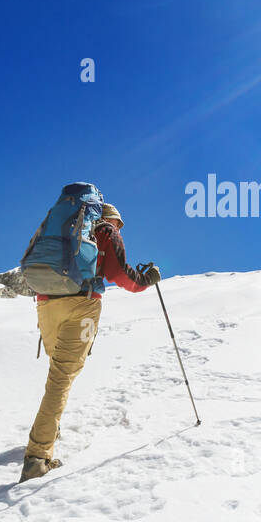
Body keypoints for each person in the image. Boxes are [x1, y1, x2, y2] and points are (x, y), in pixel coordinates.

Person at [21, 202, 161, 482]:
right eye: (119, 223)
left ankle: (49, 428)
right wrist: (146, 280)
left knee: (57, 368)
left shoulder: (62, 226)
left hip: (46, 303)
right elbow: (118, 274)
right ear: (111, 219)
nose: (119, 228)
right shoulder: (106, 230)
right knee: (62, 376)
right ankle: (37, 457)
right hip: (83, 305)